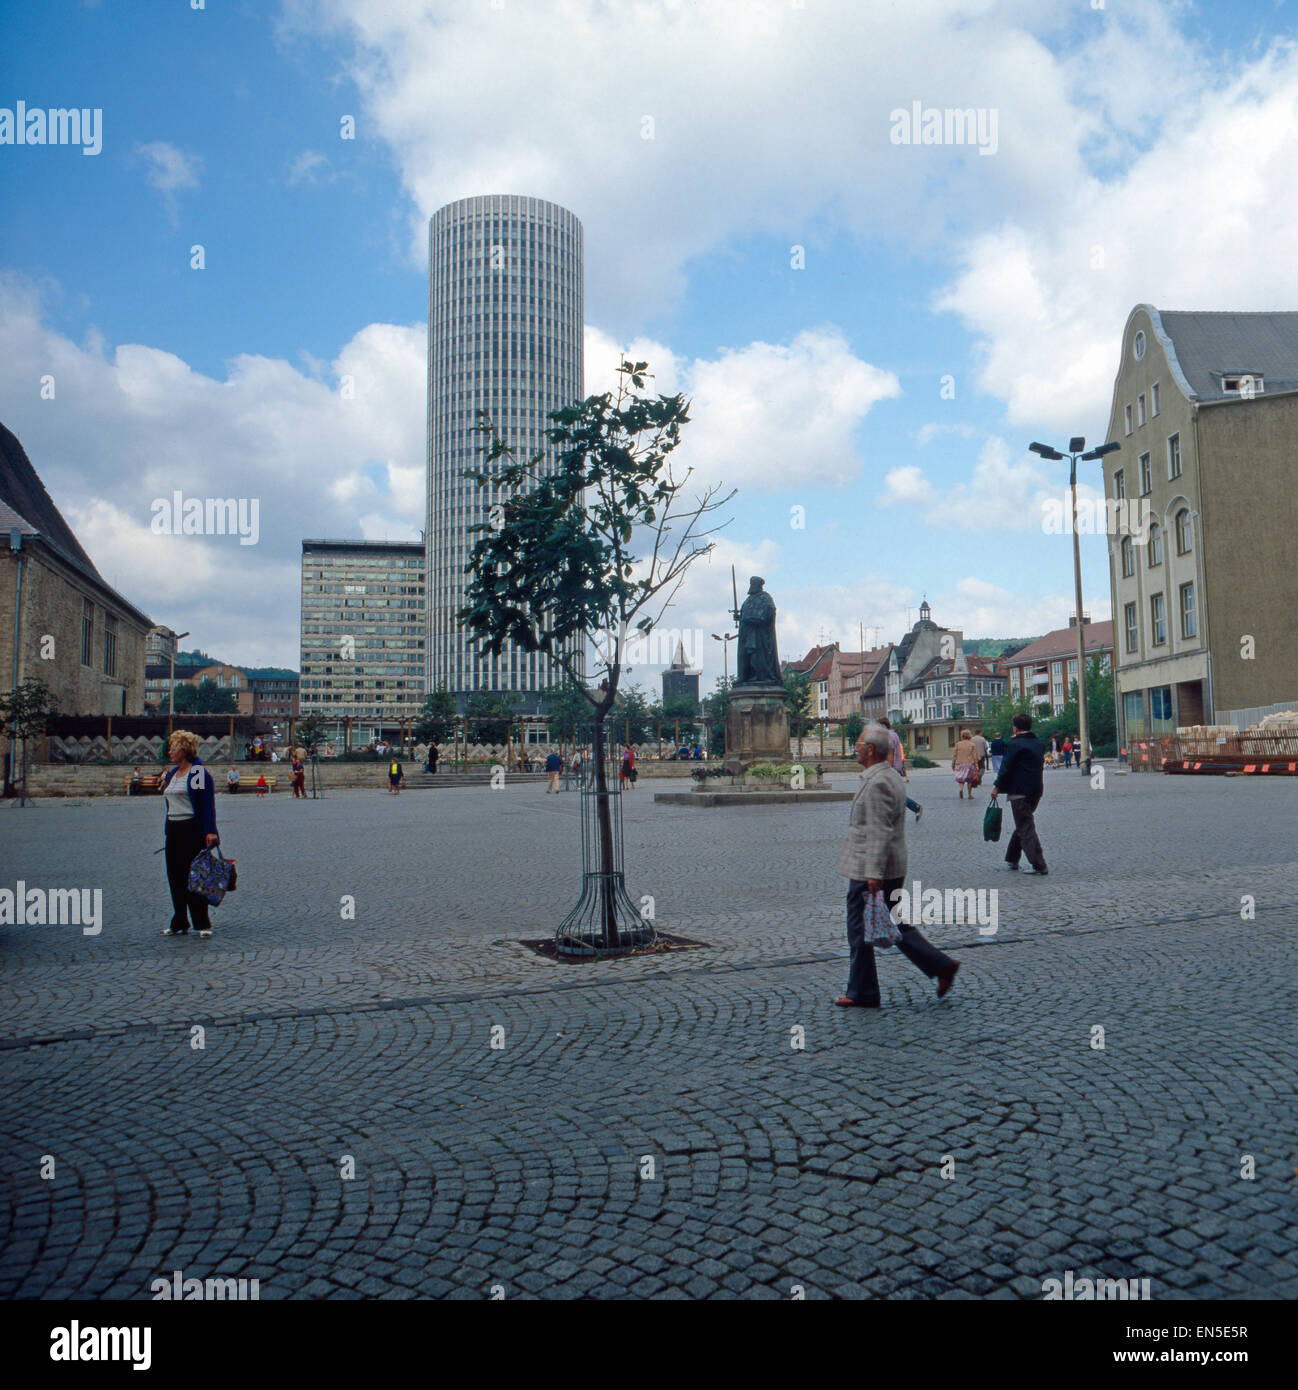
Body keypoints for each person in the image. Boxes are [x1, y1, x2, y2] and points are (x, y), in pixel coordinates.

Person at [833, 725, 960, 1008]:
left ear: (871, 750)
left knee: (858, 928)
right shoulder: (887, 776)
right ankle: (941, 966)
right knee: (895, 923)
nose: (855, 748)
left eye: (859, 744)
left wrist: (872, 874)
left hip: (871, 867)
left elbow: (880, 831)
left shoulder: (878, 783)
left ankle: (863, 992)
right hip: (887, 865)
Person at [158, 730, 219, 938]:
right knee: (175, 877)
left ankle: (202, 923)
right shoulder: (173, 774)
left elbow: (206, 805)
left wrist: (210, 831)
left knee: (195, 878)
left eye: (173, 747)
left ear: (184, 750)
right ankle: (179, 921)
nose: (170, 751)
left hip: (192, 828)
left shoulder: (196, 773)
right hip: (174, 830)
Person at [991, 713, 1048, 875]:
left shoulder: (1014, 745)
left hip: (1019, 791)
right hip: (1036, 790)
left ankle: (1039, 864)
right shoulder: (1038, 743)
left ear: (1015, 728)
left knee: (1025, 826)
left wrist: (997, 787)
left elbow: (1006, 768)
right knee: (1024, 823)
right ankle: (1011, 858)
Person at [878, 717, 922, 822]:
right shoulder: (894, 734)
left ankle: (915, 807)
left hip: (891, 768)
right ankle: (914, 808)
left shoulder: (888, 736)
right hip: (896, 767)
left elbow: (890, 754)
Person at [952, 729, 980, 799]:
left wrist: (953, 764)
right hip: (969, 763)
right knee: (969, 780)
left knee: (961, 779)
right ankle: (969, 795)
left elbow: (954, 755)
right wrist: (976, 764)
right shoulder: (972, 744)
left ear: (962, 736)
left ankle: (961, 789)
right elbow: (974, 756)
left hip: (959, 763)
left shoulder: (958, 744)